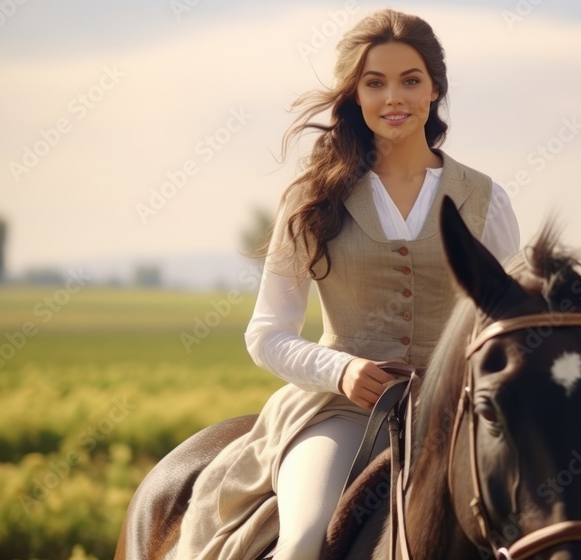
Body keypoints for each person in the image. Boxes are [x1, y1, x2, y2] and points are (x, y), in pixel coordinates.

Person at [175, 8, 519, 560]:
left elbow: (511, 324)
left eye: (411, 80)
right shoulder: (310, 199)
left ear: (435, 90)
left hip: (456, 415)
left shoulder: (487, 199)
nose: (394, 98)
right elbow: (266, 334)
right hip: (341, 413)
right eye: (374, 82)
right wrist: (342, 370)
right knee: (304, 542)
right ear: (354, 95)